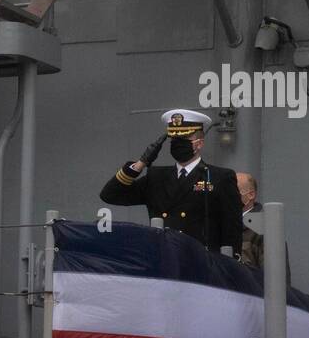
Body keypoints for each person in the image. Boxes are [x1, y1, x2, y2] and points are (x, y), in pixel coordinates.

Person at [99, 108, 243, 254]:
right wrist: (140, 164)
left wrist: (230, 266)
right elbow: (110, 195)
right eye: (174, 139)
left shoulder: (220, 177)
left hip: (202, 262)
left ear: (199, 143)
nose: (177, 144)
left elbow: (232, 228)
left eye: (183, 140)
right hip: (165, 259)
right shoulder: (156, 177)